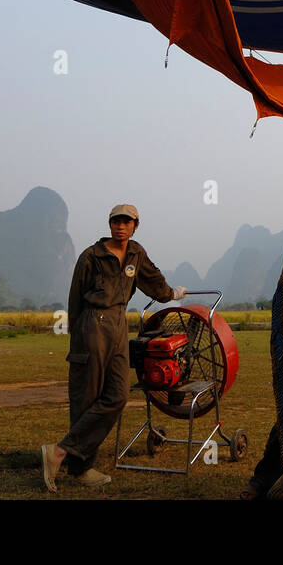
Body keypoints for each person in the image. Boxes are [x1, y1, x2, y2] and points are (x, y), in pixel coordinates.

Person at [40, 204, 185, 491]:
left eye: (126, 222)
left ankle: (60, 451)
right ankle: (80, 468)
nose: (120, 226)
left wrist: (172, 294)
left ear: (135, 226)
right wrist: (77, 341)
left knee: (118, 395)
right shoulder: (90, 257)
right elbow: (75, 299)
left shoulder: (136, 253)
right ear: (109, 225)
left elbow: (153, 282)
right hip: (92, 324)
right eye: (116, 221)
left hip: (119, 325)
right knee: (87, 397)